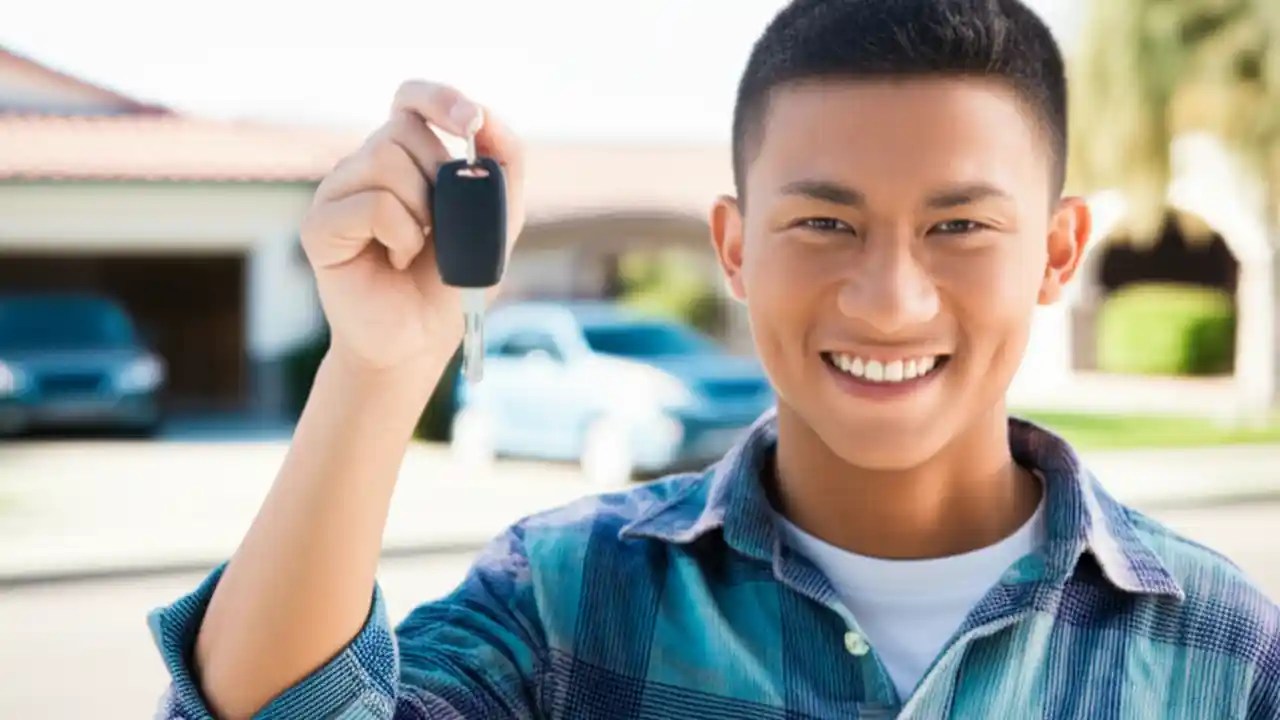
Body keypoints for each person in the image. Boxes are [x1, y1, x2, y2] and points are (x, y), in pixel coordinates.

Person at [150, 0, 1280, 717]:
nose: (889, 300)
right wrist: (380, 367)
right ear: (734, 249)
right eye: (824, 224)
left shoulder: (1222, 649)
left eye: (959, 226)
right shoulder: (564, 600)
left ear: (1056, 250)